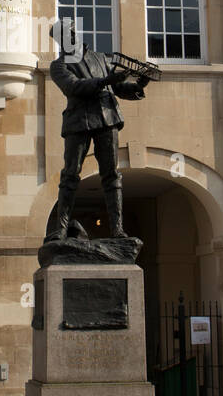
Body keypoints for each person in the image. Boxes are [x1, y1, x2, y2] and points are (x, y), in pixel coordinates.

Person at [47, 18, 150, 241]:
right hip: (78, 122)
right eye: (64, 37)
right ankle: (61, 229)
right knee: (70, 175)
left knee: (112, 175)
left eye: (72, 34)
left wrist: (138, 86)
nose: (70, 39)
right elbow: (73, 87)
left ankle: (117, 230)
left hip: (107, 118)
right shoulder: (58, 66)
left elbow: (119, 88)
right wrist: (105, 80)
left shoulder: (100, 58)